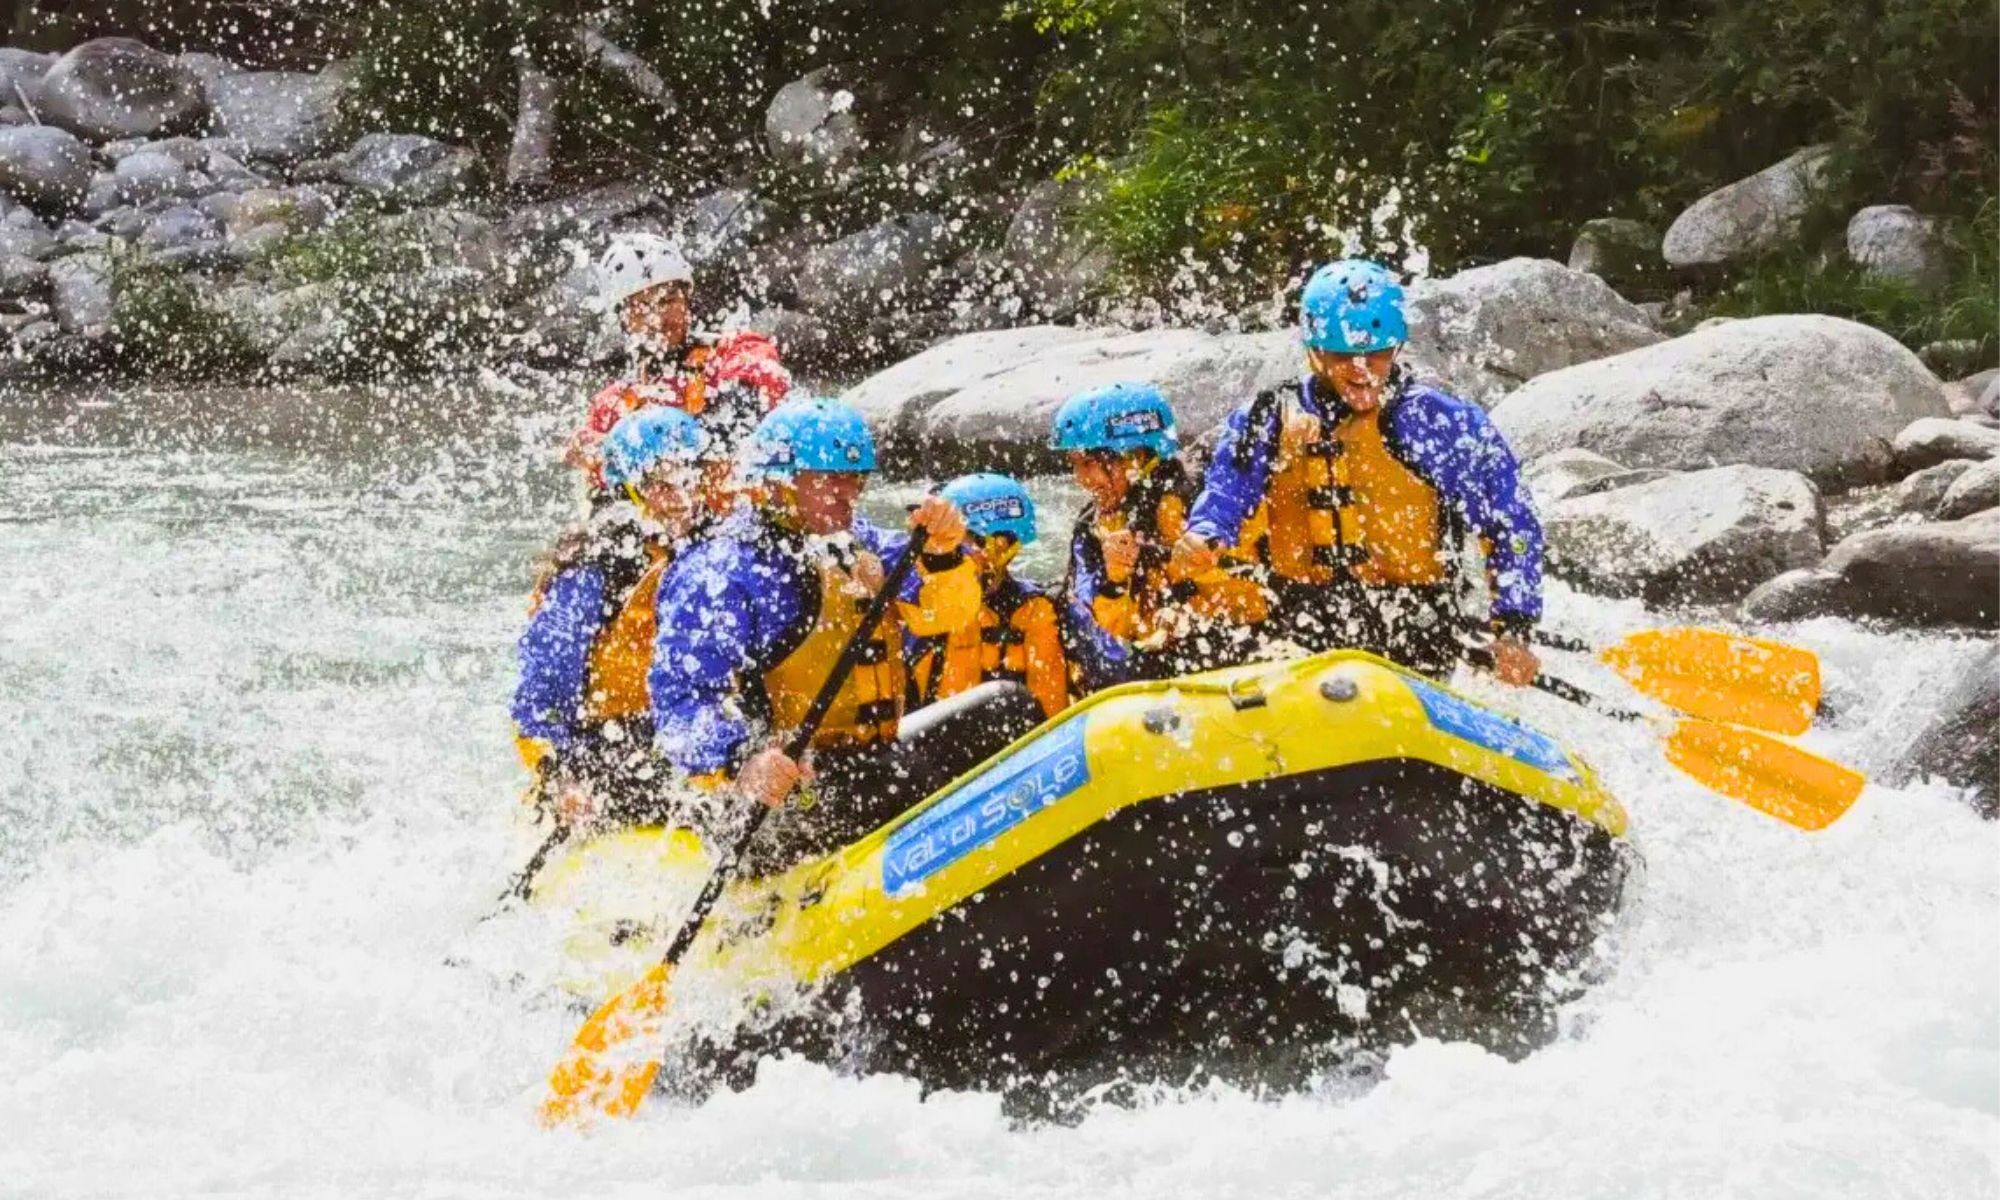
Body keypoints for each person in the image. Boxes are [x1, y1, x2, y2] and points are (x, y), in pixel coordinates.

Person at [647, 398, 987, 868]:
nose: (850, 494)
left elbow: (946, 614)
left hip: (873, 760)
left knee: (1004, 706)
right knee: (876, 786)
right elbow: (680, 700)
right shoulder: (723, 571)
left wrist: (945, 552)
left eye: (857, 479)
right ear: (780, 483)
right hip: (792, 790)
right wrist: (741, 758)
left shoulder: (856, 542)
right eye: (832, 480)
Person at [1170, 258, 1543, 684]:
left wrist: (1514, 627)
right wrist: (1203, 532)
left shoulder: (1436, 422)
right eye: (1344, 356)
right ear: (1314, 351)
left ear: (1397, 348)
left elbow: (1511, 521)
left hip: (1413, 624)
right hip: (1302, 621)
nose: (1363, 370)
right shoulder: (1269, 417)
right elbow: (1226, 493)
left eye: (1377, 354)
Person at [513, 406, 721, 829]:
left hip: (692, 730)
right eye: (662, 485)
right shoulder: (596, 570)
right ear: (630, 493)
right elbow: (540, 692)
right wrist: (558, 778)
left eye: (688, 479)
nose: (682, 498)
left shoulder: (721, 551)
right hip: (609, 742)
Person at [1050, 382, 1269, 690]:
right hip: (1161, 662)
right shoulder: (1092, 526)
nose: (1081, 479)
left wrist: (1201, 571)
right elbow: (1102, 630)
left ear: (1134, 457)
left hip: (1238, 650)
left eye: (1089, 463)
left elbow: (1258, 600)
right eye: (1076, 465)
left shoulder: (1204, 499)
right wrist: (1114, 582)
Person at [565, 233, 791, 488]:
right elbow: (605, 494)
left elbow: (764, 389)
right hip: (673, 517)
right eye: (641, 307)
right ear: (623, 319)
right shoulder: (613, 406)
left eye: (669, 300)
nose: (659, 318)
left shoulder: (735, 350)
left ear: (687, 300)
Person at [906, 473, 1071, 721]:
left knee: (1007, 697)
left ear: (1000, 545)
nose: (943, 550)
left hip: (1031, 751)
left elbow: (1112, 664)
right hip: (932, 752)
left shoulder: (1046, 605)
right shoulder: (919, 602)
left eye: (957, 540)